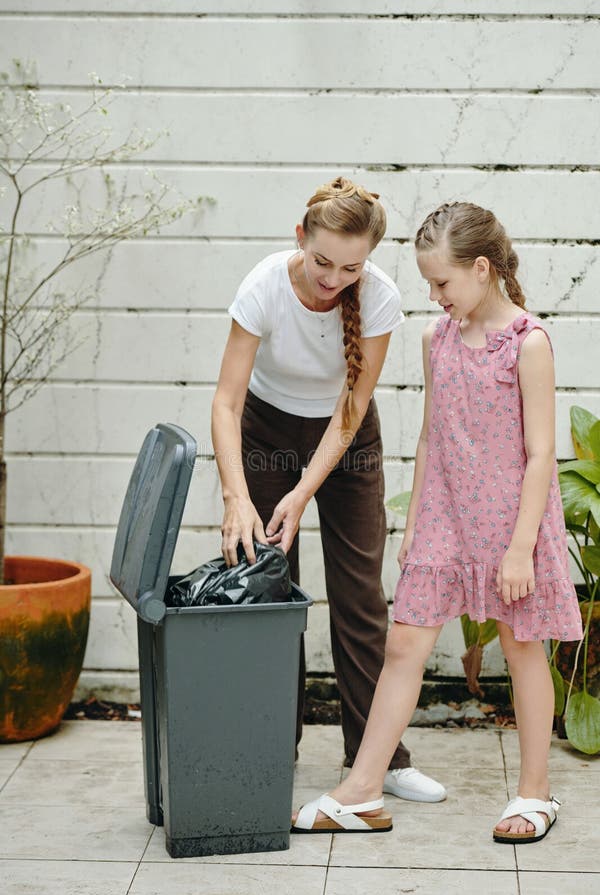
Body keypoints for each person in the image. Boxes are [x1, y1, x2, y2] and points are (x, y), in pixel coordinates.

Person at [292, 201, 583, 842]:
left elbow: (540, 455)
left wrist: (520, 548)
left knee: (521, 646)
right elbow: (430, 437)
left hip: (514, 523)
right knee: (404, 643)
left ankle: (535, 794)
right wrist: (419, 519)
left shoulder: (528, 345)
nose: (434, 296)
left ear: (482, 270)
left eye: (442, 283)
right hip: (447, 517)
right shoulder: (436, 339)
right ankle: (363, 791)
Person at [211, 176, 446, 803]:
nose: (333, 277)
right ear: (300, 239)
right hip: (264, 437)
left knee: (360, 597)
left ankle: (380, 759)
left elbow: (349, 411)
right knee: (266, 592)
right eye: (321, 262)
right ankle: (269, 746)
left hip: (348, 446)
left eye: (351, 266)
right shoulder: (264, 285)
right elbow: (227, 401)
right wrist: (238, 496)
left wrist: (305, 490)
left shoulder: (380, 298)